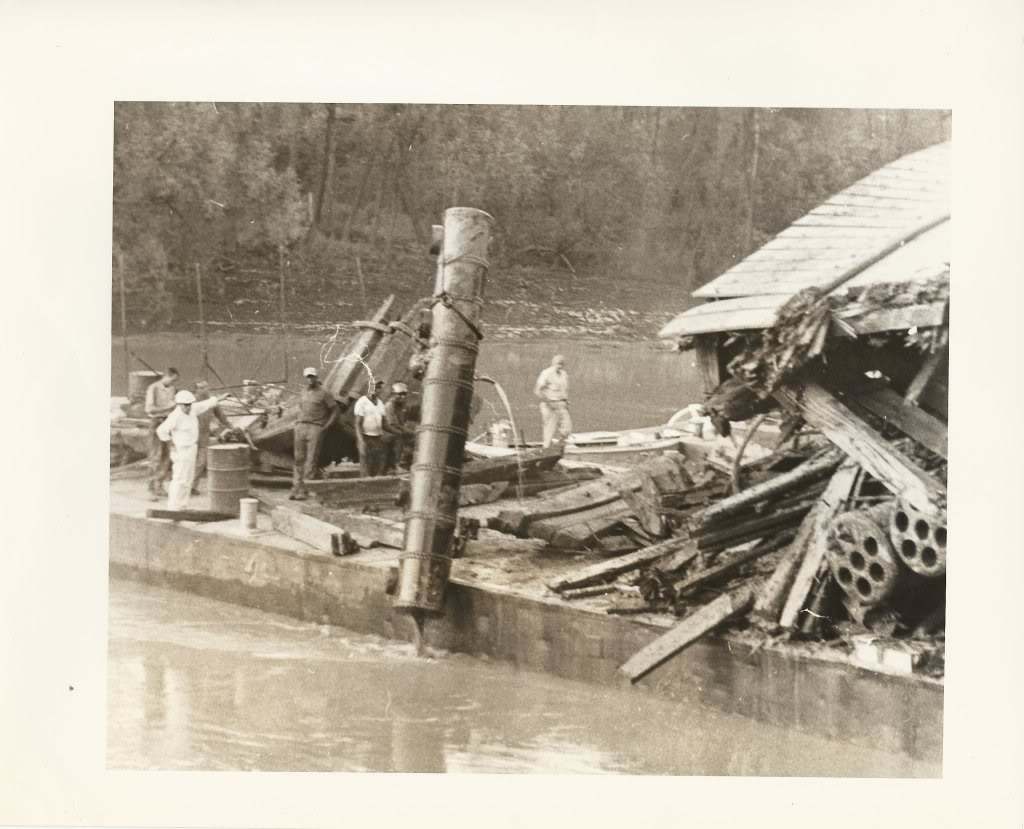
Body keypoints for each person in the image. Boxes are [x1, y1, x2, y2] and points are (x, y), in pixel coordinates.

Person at [156, 389, 224, 511]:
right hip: (181, 450)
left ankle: (183, 505)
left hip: (192, 448)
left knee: (188, 478)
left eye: (189, 404)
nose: (188, 407)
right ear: (179, 404)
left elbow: (206, 404)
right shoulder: (175, 416)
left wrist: (219, 398)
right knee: (180, 479)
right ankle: (174, 506)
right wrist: (171, 444)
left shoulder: (193, 409)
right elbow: (161, 430)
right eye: (185, 405)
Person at [290, 367, 339, 501]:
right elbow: (301, 408)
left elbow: (335, 410)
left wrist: (326, 426)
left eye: (312, 376)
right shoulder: (303, 391)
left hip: (315, 427)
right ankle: (296, 488)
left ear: (316, 377)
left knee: (311, 460)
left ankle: (304, 489)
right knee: (298, 459)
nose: (310, 379)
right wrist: (297, 423)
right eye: (308, 377)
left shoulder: (324, 393)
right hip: (301, 426)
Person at [191, 379, 233, 495]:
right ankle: (185, 486)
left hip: (203, 436)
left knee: (201, 462)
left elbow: (221, 416)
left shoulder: (212, 401)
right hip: (190, 437)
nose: (206, 390)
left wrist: (231, 427)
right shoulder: (190, 401)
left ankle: (192, 486)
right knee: (188, 462)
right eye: (202, 388)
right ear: (196, 390)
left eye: (206, 387)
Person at [144, 367, 179, 499]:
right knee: (155, 456)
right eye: (172, 380)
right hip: (156, 422)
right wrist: (168, 407)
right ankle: (151, 488)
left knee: (166, 456)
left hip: (167, 423)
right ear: (167, 376)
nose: (173, 383)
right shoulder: (153, 388)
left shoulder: (172, 389)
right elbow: (149, 409)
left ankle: (159, 485)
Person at [533, 354, 572, 447]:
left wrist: (566, 402)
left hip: (561, 404)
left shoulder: (564, 374)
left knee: (567, 428)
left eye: (562, 363)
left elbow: (565, 390)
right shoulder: (546, 373)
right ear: (553, 363)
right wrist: (548, 402)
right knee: (549, 429)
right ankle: (547, 448)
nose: (560, 366)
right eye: (558, 363)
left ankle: (560, 445)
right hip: (549, 405)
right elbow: (537, 390)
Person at [354, 380, 388, 477]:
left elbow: (385, 424)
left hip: (377, 437)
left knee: (377, 463)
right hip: (365, 437)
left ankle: (376, 482)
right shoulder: (362, 402)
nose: (376, 389)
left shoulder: (380, 403)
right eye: (373, 387)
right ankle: (365, 481)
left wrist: (398, 432)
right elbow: (357, 423)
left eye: (378, 387)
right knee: (366, 464)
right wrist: (361, 440)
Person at [382, 382, 416, 473]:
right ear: (393, 394)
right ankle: (398, 464)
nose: (402, 397)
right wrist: (410, 431)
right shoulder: (390, 406)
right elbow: (393, 424)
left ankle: (404, 463)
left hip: (393, 430)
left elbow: (403, 421)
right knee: (400, 437)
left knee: (410, 438)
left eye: (404, 394)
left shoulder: (401, 406)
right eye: (400, 394)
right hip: (386, 432)